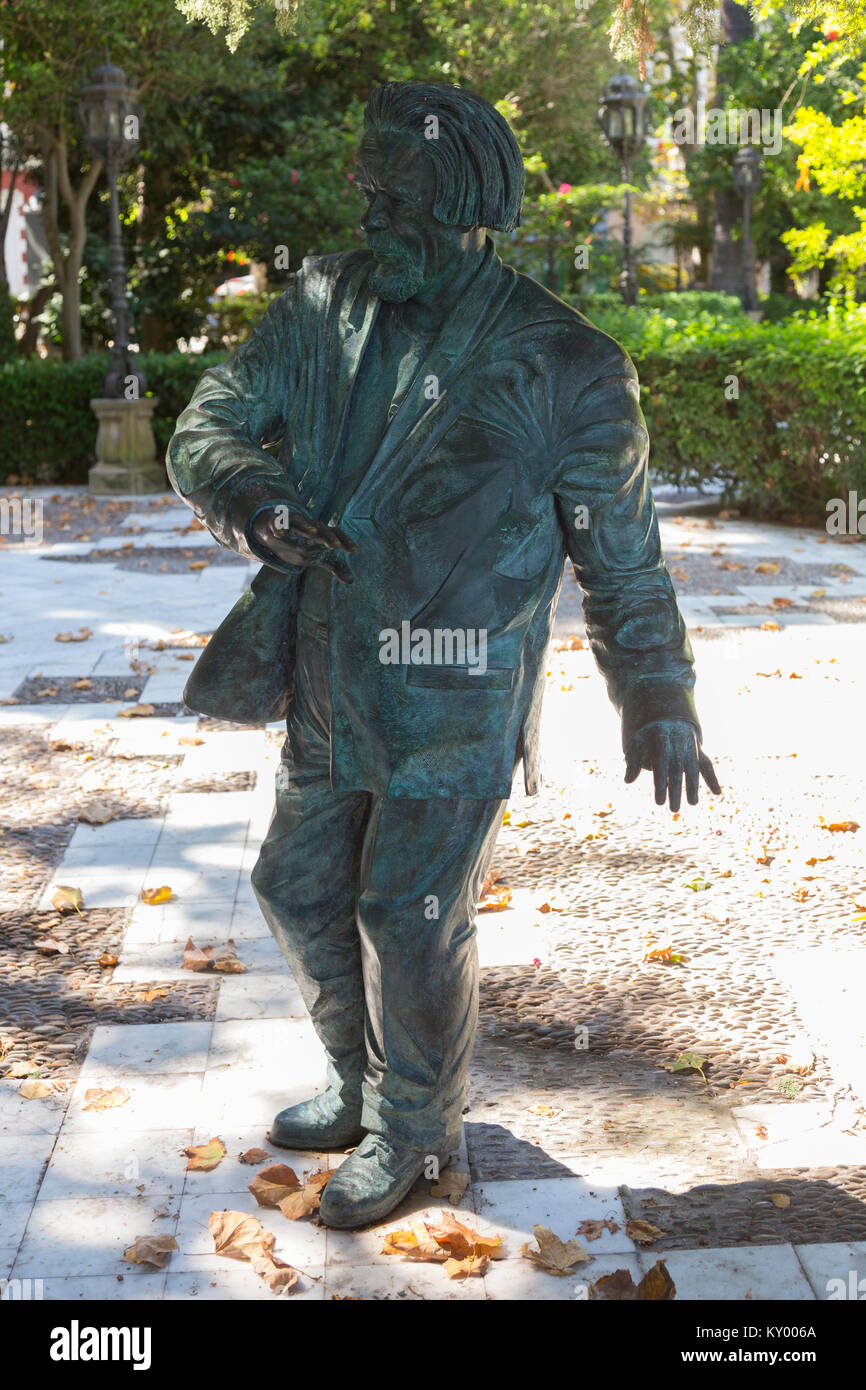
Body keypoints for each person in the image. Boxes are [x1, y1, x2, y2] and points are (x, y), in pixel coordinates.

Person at [167, 81, 720, 1229]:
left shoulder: (569, 367)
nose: (369, 220)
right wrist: (258, 502)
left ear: (469, 199)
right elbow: (207, 419)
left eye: (396, 199)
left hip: (458, 696)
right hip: (329, 676)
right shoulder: (324, 302)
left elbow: (620, 563)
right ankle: (363, 1079)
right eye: (365, 195)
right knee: (295, 883)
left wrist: (657, 691)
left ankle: (417, 1135)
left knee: (409, 911)